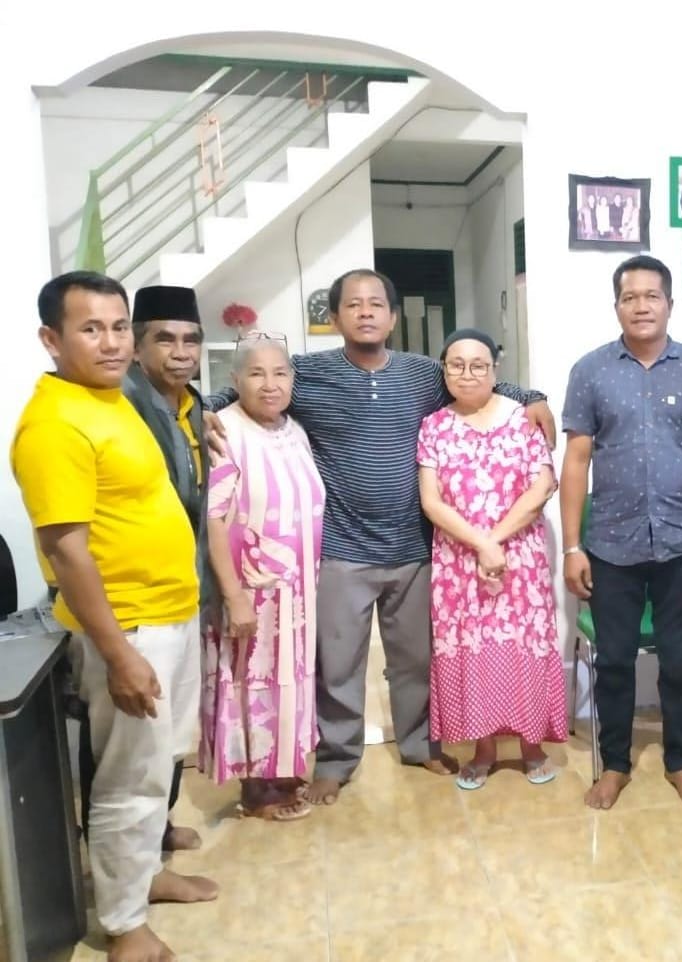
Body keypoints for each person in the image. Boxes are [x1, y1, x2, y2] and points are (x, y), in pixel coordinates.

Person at [206, 268, 555, 806]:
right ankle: (337, 759)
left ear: (392, 317)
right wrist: (207, 406)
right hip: (343, 548)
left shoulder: (421, 373)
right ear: (335, 316)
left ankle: (419, 746)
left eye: (376, 304)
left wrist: (531, 395)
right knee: (338, 664)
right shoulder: (308, 373)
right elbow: (254, 379)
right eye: (354, 304)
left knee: (415, 661)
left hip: (413, 548)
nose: (366, 312)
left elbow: (474, 375)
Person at [12, 271, 217, 962]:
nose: (110, 342)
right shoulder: (53, 424)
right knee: (129, 778)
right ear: (52, 338)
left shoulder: (110, 399)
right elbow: (66, 550)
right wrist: (120, 654)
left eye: (119, 326)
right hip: (128, 626)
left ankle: (146, 875)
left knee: (160, 763)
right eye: (90, 328)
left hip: (169, 610)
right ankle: (125, 925)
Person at [560, 254, 682, 810]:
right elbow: (576, 461)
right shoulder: (590, 371)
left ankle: (680, 761)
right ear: (616, 306)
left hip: (681, 541)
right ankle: (615, 764)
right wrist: (571, 546)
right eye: (629, 297)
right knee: (613, 660)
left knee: (679, 660)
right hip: (611, 544)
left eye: (651, 295)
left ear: (669, 304)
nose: (641, 306)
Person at [75, 284, 209, 859]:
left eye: (191, 341)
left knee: (164, 736)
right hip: (130, 602)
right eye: (164, 339)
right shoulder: (124, 402)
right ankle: (129, 866)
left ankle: (156, 837)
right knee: (126, 751)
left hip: (177, 588)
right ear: (137, 346)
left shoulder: (191, 403)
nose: (180, 353)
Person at [416, 328, 567, 790]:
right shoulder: (433, 426)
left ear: (495, 370)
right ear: (444, 370)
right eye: (456, 365)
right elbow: (431, 501)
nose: (467, 374)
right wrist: (480, 545)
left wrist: (494, 540)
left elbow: (543, 485)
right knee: (472, 651)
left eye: (478, 365)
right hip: (458, 562)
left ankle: (531, 745)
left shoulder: (524, 419)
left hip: (519, 556)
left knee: (524, 647)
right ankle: (483, 749)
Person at [200, 333, 325, 821]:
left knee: (290, 680)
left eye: (279, 373)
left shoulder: (295, 429)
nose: (270, 384)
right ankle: (256, 789)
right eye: (256, 373)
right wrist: (233, 597)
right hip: (253, 591)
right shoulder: (226, 432)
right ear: (235, 381)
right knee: (250, 684)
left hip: (298, 592)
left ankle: (282, 768)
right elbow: (213, 520)